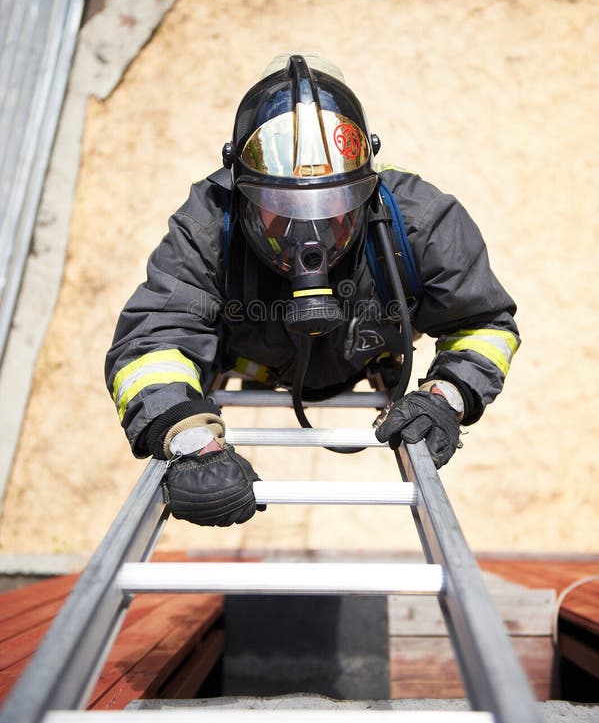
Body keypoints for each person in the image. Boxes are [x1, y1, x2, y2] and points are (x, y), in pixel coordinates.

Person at [105, 53, 520, 527]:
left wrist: (446, 397)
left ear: (367, 187)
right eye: (279, 208)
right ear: (240, 190)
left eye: (335, 207)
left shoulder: (419, 220)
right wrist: (189, 441)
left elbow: (485, 323)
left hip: (369, 358)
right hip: (258, 365)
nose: (310, 234)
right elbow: (152, 340)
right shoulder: (209, 223)